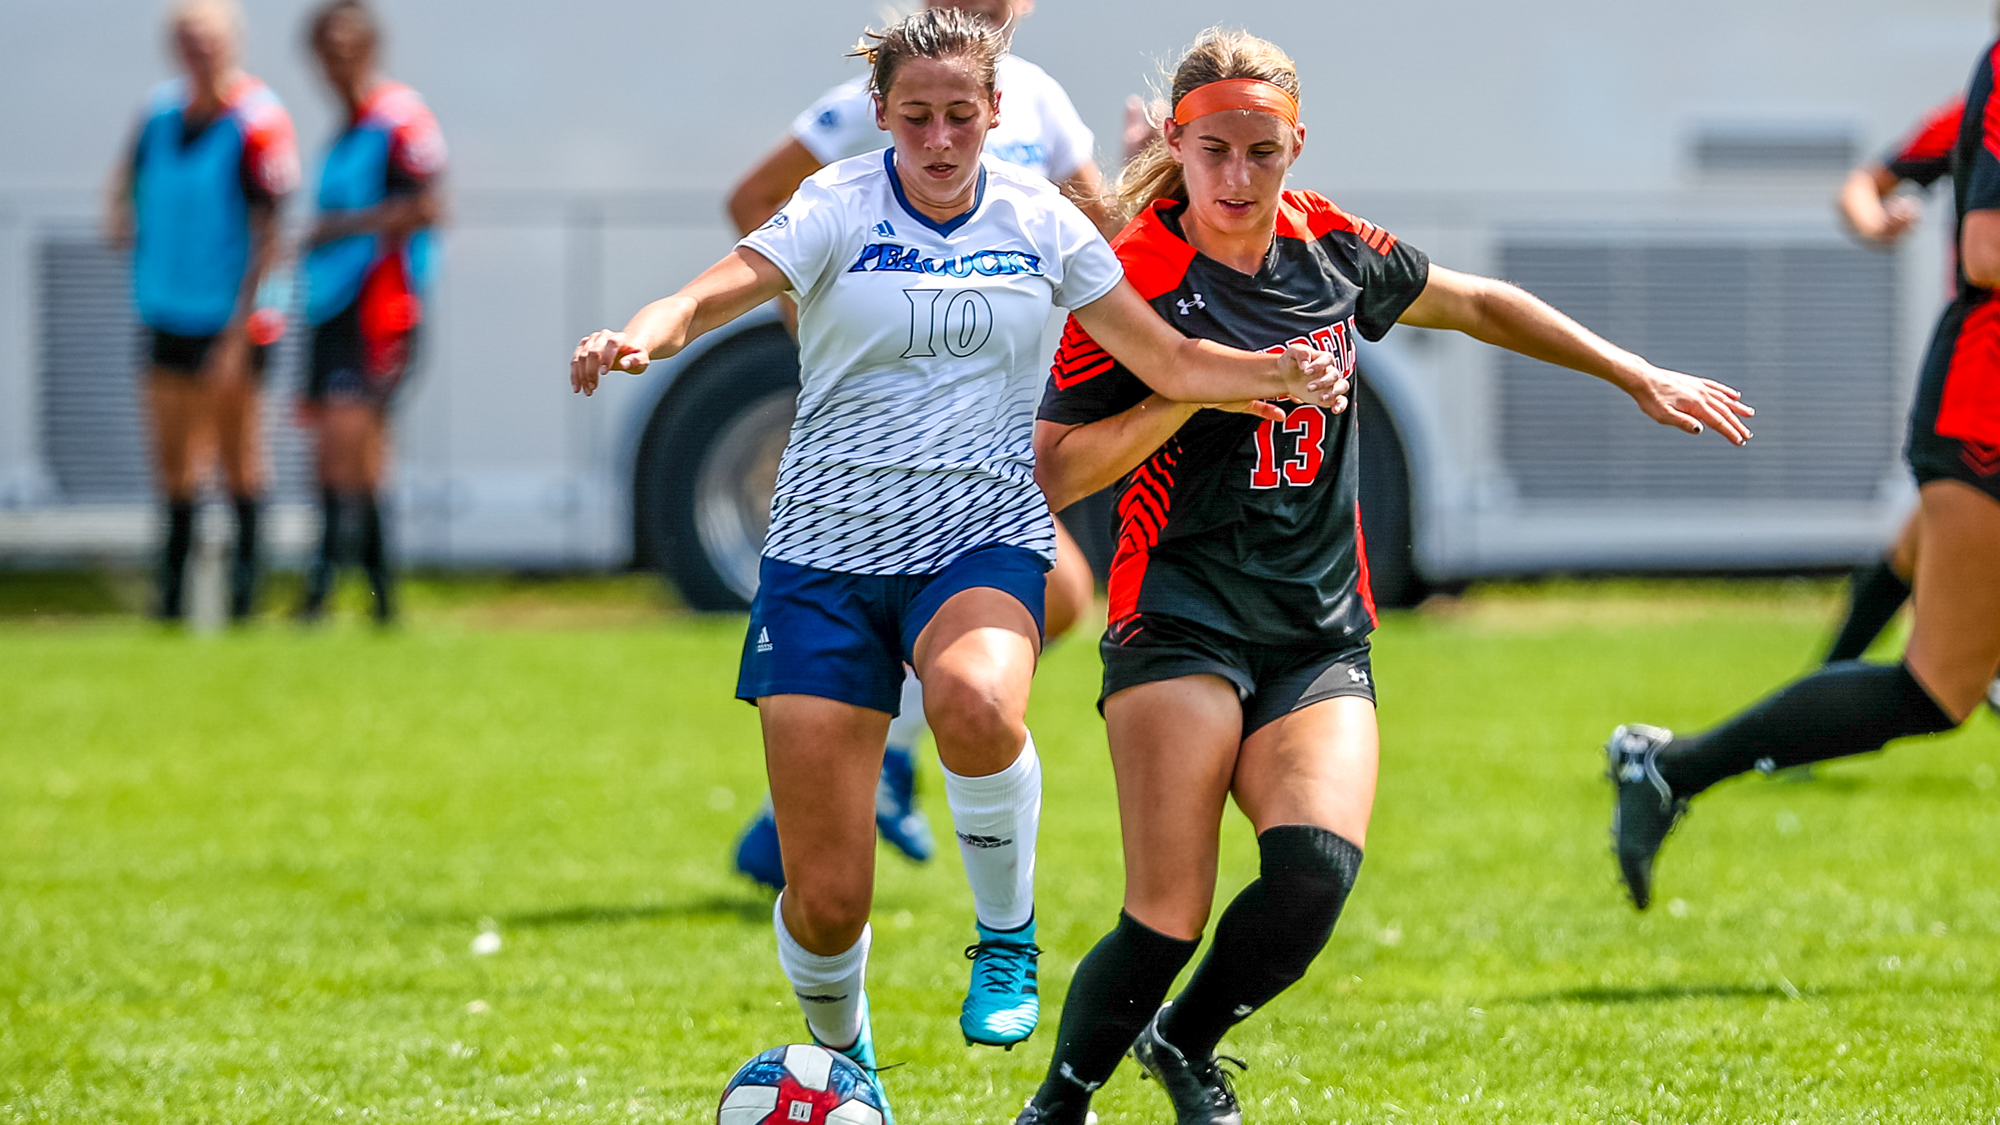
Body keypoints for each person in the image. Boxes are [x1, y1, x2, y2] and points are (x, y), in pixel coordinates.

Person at [570, 10, 1345, 1113]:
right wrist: (643, 333)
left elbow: (1165, 353)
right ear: (881, 114)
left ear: (995, 112)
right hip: (820, 554)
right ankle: (853, 1071)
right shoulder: (836, 203)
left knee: (978, 699)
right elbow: (708, 291)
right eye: (916, 117)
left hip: (977, 529)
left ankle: (1005, 936)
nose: (939, 138)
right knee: (826, 900)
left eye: (959, 116)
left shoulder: (1041, 218)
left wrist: (1268, 374)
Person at [1013, 30, 1754, 1125]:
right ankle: (1060, 1104)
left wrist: (1628, 370)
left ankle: (1187, 1040)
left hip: (1315, 627)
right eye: (1212, 150)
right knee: (1165, 916)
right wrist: (1195, 389)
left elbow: (1472, 301)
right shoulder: (1132, 281)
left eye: (1261, 152)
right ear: (1177, 143)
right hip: (1176, 613)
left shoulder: (1328, 246)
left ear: (1294, 147)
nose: (1236, 177)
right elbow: (1057, 465)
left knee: (1313, 871)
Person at [1607, 32, 2000, 913]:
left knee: (1928, 623)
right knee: (1938, 687)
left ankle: (1672, 766)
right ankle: (1670, 768)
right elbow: (1983, 249)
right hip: (1984, 409)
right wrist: (1870, 215)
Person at [725, 0, 1110, 890]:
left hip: (995, 430)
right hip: (887, 444)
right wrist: (826, 331)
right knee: (1051, 591)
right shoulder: (874, 103)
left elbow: (1110, 236)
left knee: (1056, 598)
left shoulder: (1040, 100)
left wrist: (1163, 173)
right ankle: (854, 785)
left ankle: (883, 767)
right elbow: (753, 202)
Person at [106, 0, 298, 623]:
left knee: (238, 459)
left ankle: (244, 604)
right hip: (165, 306)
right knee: (174, 463)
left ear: (233, 43)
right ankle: (171, 603)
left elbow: (271, 234)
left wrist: (240, 333)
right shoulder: (159, 114)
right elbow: (125, 182)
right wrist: (121, 215)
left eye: (209, 38)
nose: (199, 49)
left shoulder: (257, 121)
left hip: (231, 319)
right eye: (187, 38)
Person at [1827, 99, 2000, 713]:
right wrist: (1875, 223)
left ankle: (1815, 703)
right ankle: (1816, 702)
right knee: (1922, 542)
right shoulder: (1978, 108)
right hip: (1980, 371)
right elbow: (1863, 185)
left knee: (1921, 541)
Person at [295, 0, 446, 625]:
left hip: (380, 308)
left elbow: (428, 207)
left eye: (348, 45)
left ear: (371, 46)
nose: (338, 60)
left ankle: (325, 595)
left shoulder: (398, 121)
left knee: (349, 447)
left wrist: (339, 227)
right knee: (349, 456)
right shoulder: (345, 128)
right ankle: (379, 601)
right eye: (327, 49)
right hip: (333, 305)